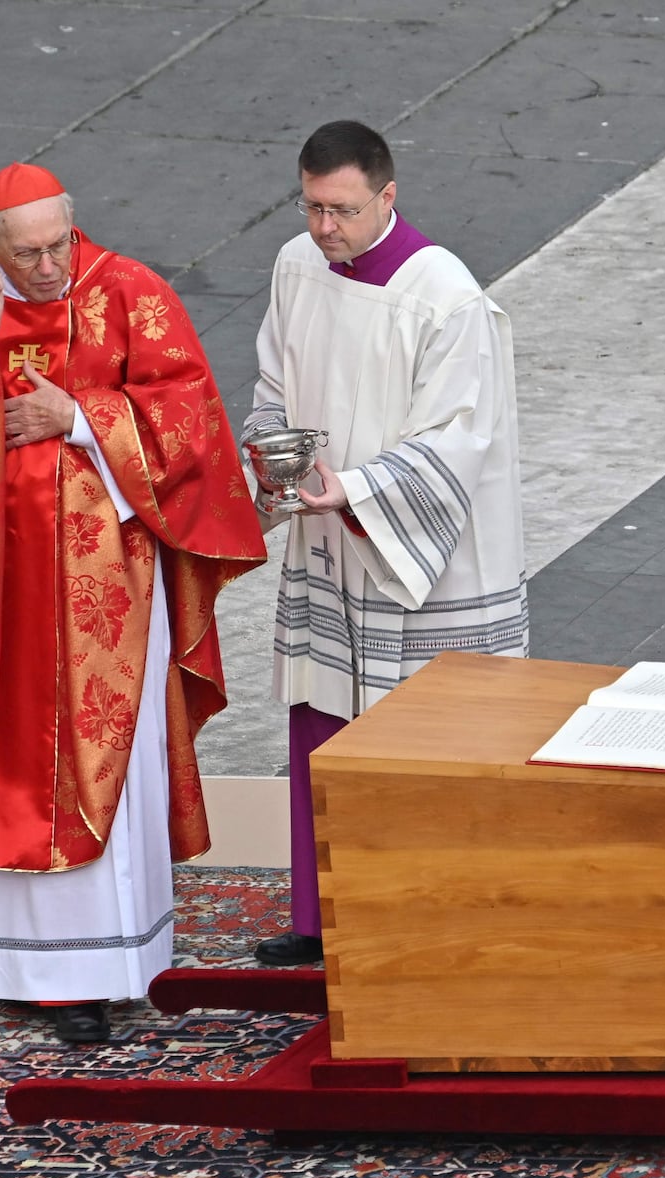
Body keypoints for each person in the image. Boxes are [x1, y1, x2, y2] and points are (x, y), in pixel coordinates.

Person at [0, 163, 268, 1043]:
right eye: (26, 253)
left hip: (105, 595)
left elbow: (190, 417)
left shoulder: (130, 292)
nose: (47, 266)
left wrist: (80, 416)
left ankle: (107, 962)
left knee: (102, 755)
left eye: (57, 245)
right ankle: (15, 962)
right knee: (2, 752)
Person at [244, 120, 526, 967]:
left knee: (424, 743)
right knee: (323, 717)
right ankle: (321, 917)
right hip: (330, 542)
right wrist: (272, 453)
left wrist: (359, 492)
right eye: (312, 207)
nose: (325, 227)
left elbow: (461, 436)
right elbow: (272, 377)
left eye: (343, 210)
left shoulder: (447, 297)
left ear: (388, 197)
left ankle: (430, 925)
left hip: (417, 558)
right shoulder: (298, 265)